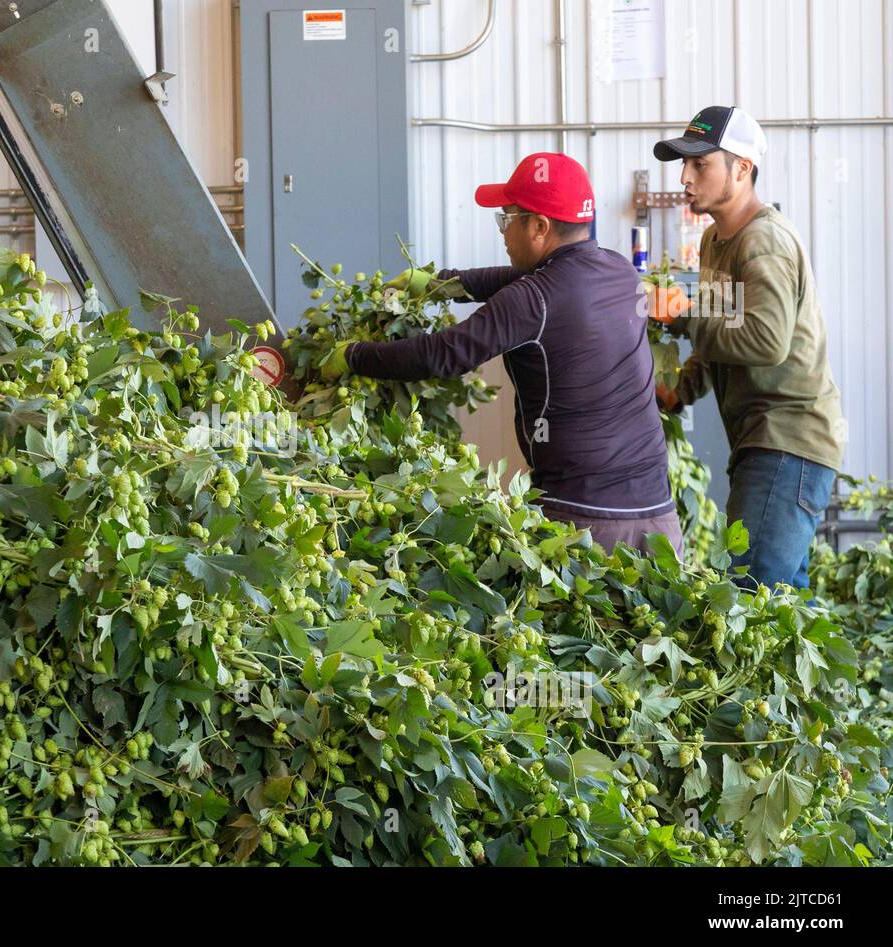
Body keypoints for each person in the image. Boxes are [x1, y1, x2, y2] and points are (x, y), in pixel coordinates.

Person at [321, 152, 683, 559]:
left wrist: (353, 356)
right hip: (658, 518)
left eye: (506, 219)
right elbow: (517, 279)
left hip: (587, 524)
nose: (502, 233)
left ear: (540, 227)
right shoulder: (617, 269)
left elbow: (444, 353)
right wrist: (441, 284)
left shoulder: (534, 299)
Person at [651, 106, 844, 591]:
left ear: (742, 169)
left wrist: (682, 316)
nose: (686, 177)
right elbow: (722, 333)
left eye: (701, 164)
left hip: (788, 442)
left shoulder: (764, 242)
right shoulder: (717, 239)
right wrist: (682, 390)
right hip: (763, 443)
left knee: (748, 600)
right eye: (685, 165)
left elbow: (766, 340)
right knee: (783, 611)